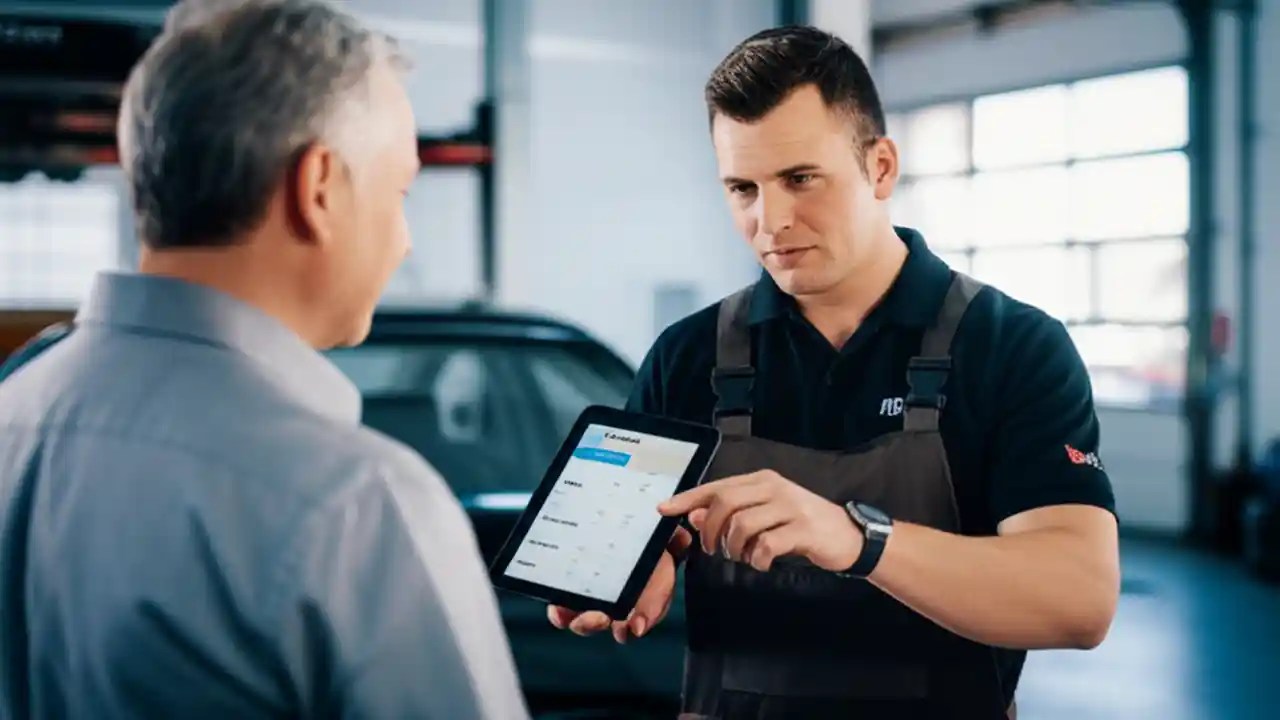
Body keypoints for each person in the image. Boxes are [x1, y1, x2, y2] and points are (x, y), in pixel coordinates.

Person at [548, 25, 1120, 718]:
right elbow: (639, 534)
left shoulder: (1011, 346)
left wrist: (857, 540)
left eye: (799, 179)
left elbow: (1079, 600)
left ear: (880, 168)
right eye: (742, 188)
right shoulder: (686, 355)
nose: (770, 221)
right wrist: (639, 567)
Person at [0, 1, 528, 718]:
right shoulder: (351, 501)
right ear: (317, 188)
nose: (403, 241)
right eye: (399, 192)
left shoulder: (14, 414)